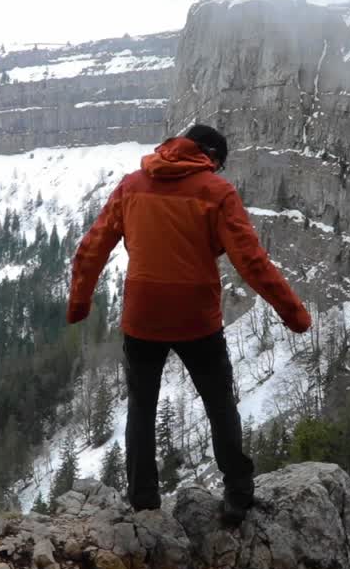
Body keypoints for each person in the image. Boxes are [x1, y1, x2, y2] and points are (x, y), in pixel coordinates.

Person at [67, 124, 312, 526]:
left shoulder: (131, 186)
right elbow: (251, 262)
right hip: (197, 319)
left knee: (142, 409)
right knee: (219, 403)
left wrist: (79, 304)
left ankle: (145, 505)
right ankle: (237, 493)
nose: (217, 171)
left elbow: (92, 247)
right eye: (218, 164)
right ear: (210, 157)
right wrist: (294, 314)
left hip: (142, 317)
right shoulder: (216, 193)